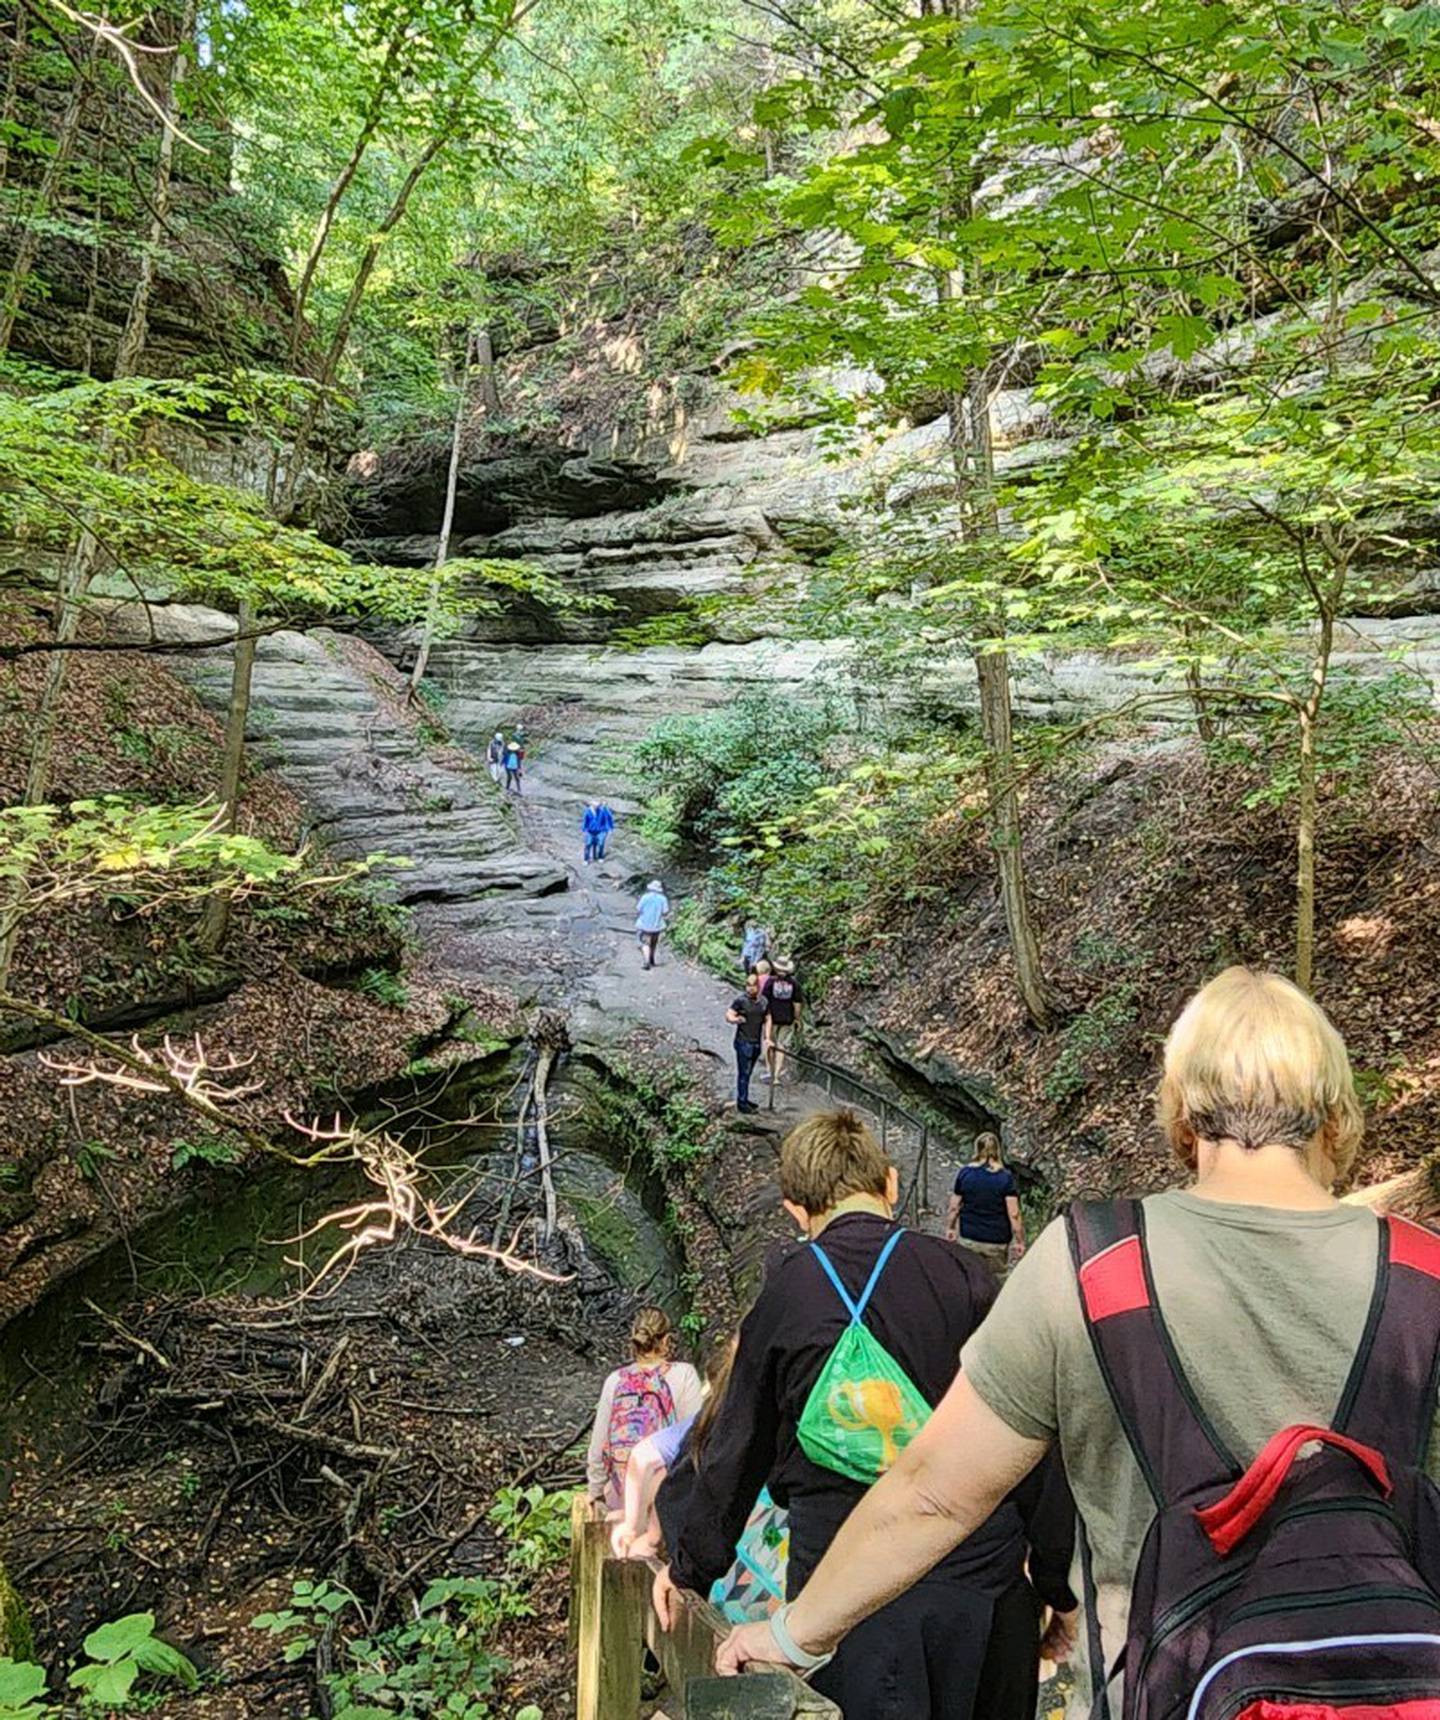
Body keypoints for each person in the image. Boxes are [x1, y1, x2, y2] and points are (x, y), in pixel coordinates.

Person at [713, 967, 1440, 1717]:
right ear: (1334, 1116)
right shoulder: (1424, 1275)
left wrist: (796, 1632)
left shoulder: (1092, 1267)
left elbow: (933, 1494)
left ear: (1183, 1117)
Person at [658, 1109, 1070, 1719]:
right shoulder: (965, 1276)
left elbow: (735, 1447)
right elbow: (1033, 1438)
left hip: (848, 1597)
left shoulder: (787, 1293)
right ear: (892, 1185)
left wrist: (689, 1565)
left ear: (796, 1209)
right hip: (982, 1592)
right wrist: (1058, 1586)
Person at [585, 1306, 703, 1513]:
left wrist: (596, 1493)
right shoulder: (685, 1375)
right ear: (666, 1341)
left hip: (622, 1497)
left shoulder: (615, 1381)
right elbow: (694, 1437)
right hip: (666, 1496)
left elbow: (597, 1448)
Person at [944, 1132, 1025, 1281]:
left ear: (976, 1149)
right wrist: (1019, 1240)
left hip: (969, 1237)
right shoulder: (1005, 1178)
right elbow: (1013, 1214)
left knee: (969, 1278)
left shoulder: (965, 1174)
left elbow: (954, 1207)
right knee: (995, 1281)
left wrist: (950, 1227)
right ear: (998, 1150)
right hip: (996, 1240)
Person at [726, 972, 769, 1113]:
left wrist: (767, 1037)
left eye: (753, 985)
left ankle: (744, 1098)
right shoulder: (741, 1001)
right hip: (743, 1041)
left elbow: (768, 1018)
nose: (750, 988)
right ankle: (742, 1103)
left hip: (756, 1041)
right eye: (748, 985)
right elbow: (729, 1014)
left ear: (758, 986)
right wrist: (735, 1019)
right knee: (743, 1073)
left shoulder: (763, 1002)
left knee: (748, 1073)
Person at [762, 956, 803, 1087]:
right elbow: (797, 1004)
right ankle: (777, 1075)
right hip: (787, 1018)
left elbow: (763, 999)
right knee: (781, 1046)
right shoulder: (794, 984)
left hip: (771, 1017)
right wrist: (797, 1019)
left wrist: (763, 1014)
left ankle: (769, 1070)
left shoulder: (770, 982)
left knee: (769, 1042)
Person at [635, 879, 669, 970]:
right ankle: (652, 958)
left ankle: (646, 961)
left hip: (644, 924)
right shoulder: (663, 899)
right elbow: (665, 912)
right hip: (657, 925)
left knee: (644, 942)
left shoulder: (645, 897)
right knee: (654, 943)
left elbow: (638, 909)